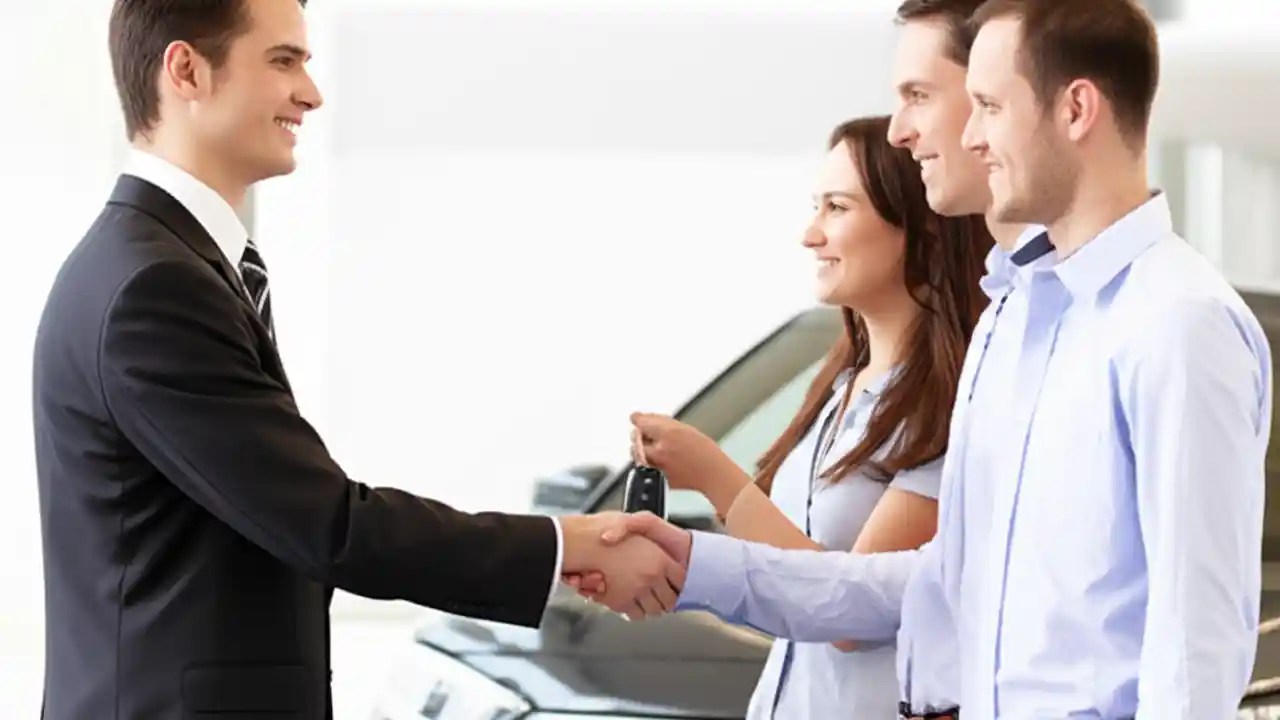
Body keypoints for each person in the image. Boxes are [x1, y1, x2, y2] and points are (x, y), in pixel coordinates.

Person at [580, 0, 1273, 717]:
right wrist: (693, 565)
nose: (970, 138)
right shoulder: (1010, 318)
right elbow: (931, 584)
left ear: (1076, 109)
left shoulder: (1178, 323)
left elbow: (1195, 644)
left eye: (988, 107)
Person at [31, 2, 679, 718]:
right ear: (186, 70)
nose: (311, 93)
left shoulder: (160, 264)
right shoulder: (154, 288)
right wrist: (567, 545)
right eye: (284, 61)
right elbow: (330, 526)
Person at [608, 114, 991, 718]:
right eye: (817, 206)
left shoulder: (956, 405)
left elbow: (851, 615)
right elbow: (784, 571)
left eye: (837, 208)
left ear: (921, 228)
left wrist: (715, 475)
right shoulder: (841, 386)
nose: (810, 235)